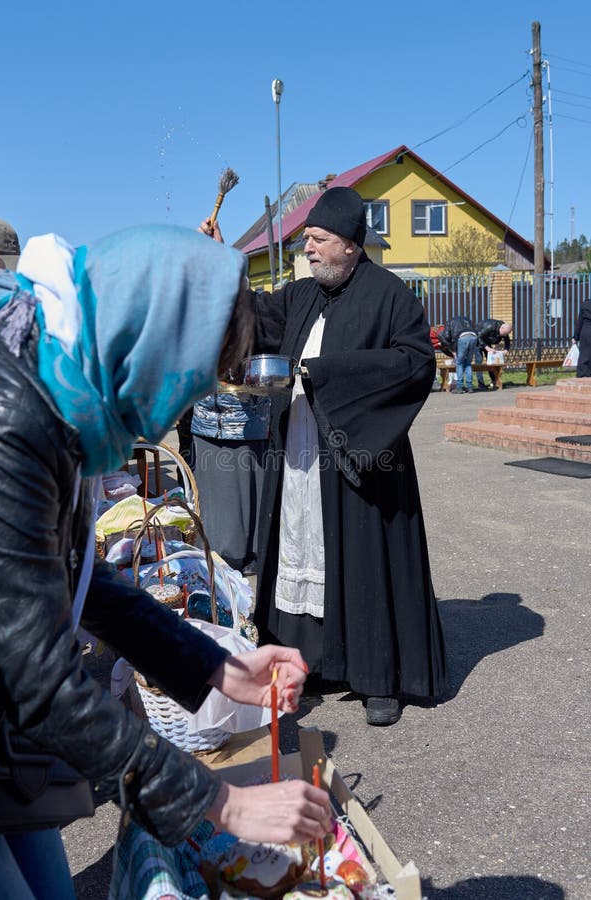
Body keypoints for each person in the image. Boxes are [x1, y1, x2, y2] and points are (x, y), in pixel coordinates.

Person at [0, 227, 331, 898]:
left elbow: (80, 578)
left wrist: (215, 667)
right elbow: (34, 672)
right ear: (146, 343)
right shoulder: (10, 417)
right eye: (187, 378)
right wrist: (222, 803)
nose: (176, 409)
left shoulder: (60, 376)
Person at [200, 187, 447, 727]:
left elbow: (413, 364)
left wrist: (323, 377)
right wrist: (222, 266)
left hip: (359, 453)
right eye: (306, 239)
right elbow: (251, 317)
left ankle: (379, 678)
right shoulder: (302, 294)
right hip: (299, 452)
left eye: (318, 239)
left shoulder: (391, 296)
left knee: (363, 557)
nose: (307, 248)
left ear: (351, 246)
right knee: (300, 545)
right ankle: (307, 661)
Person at [191, 387, 270, 575]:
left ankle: (254, 553)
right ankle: (215, 553)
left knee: (251, 491)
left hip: (248, 418)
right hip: (205, 417)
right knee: (212, 497)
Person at [438, 315, 478, 393]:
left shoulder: (450, 322)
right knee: (468, 363)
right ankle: (470, 387)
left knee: (459, 363)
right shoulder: (467, 319)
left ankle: (459, 387)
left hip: (462, 338)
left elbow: (446, 336)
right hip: (473, 336)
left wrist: (452, 350)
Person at [474, 319, 513, 390]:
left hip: (487, 342)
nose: (503, 335)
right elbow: (479, 336)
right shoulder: (490, 326)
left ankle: (494, 381)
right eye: (503, 333)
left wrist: (506, 350)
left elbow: (507, 341)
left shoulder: (504, 330)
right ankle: (481, 384)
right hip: (478, 342)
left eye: (505, 334)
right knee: (479, 362)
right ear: (502, 328)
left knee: (491, 362)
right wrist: (487, 348)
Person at [573, 299, 591, 378]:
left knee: (584, 354)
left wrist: (575, 337)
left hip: (586, 331)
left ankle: (583, 375)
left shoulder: (585, 305)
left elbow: (580, 322)